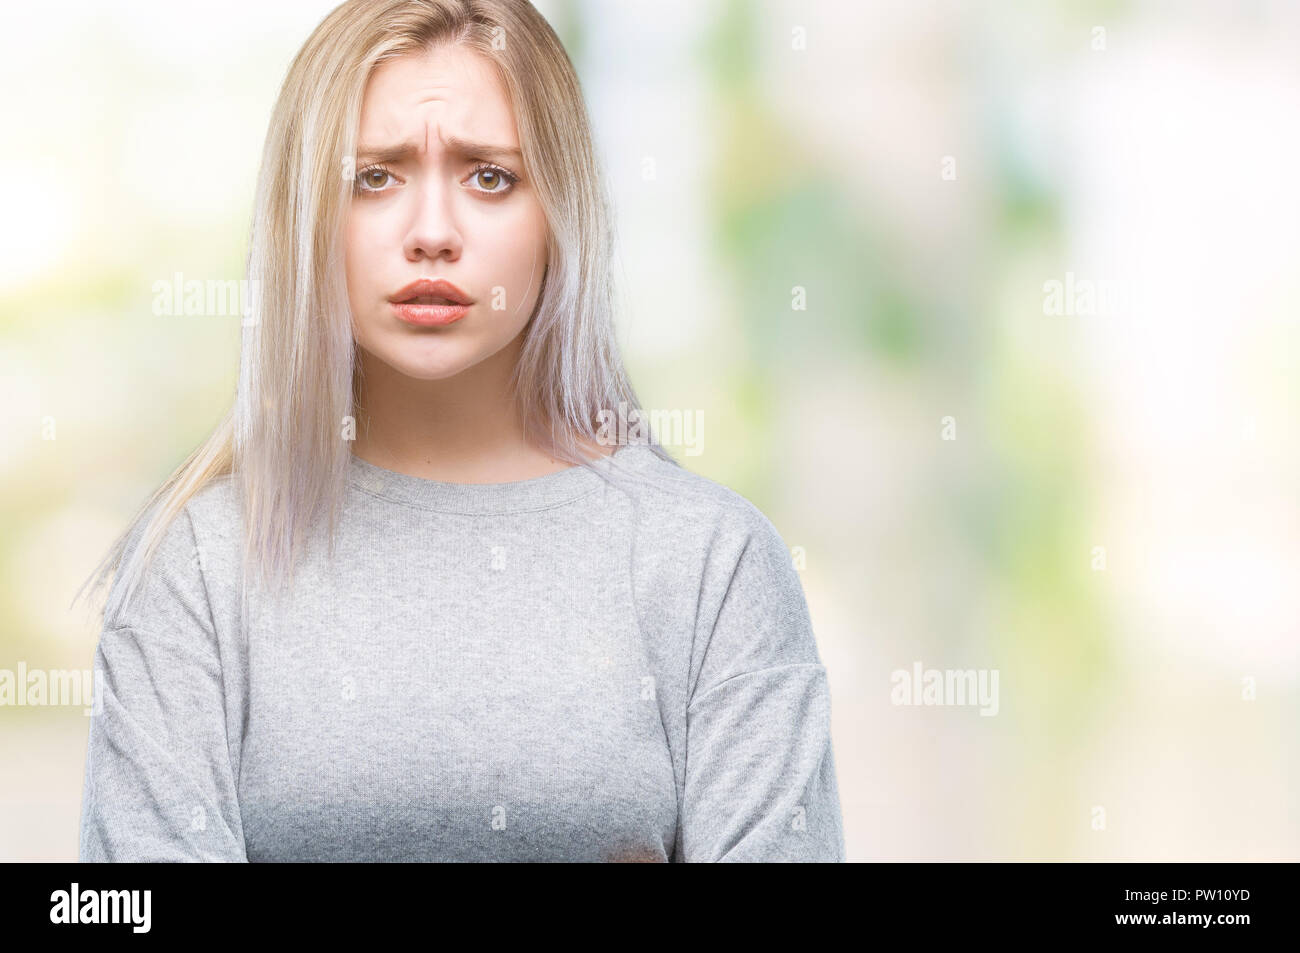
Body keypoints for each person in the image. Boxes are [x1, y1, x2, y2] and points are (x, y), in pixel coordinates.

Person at [74, 0, 845, 862]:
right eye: (374, 176)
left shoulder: (714, 565)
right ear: (304, 215)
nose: (431, 234)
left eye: (489, 176)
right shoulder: (196, 571)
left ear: (560, 211)